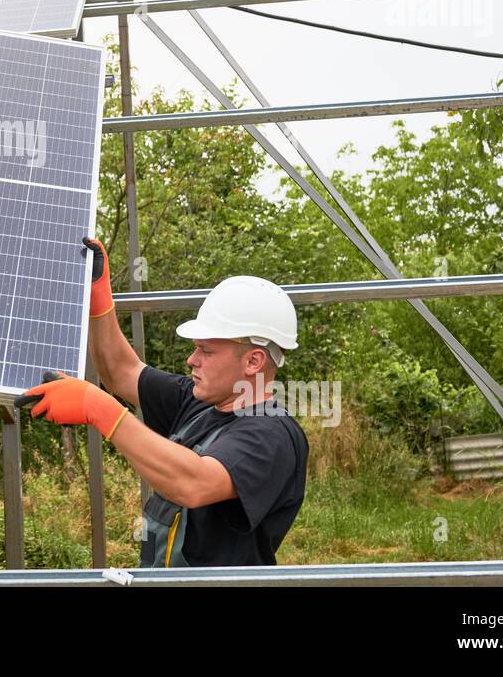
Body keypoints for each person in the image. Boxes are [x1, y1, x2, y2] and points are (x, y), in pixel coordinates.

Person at [23, 238, 309, 567]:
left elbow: (194, 483)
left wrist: (99, 409)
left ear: (254, 361)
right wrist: (100, 299)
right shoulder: (199, 401)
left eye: (207, 350)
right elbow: (121, 372)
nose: (191, 359)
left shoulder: (271, 435)